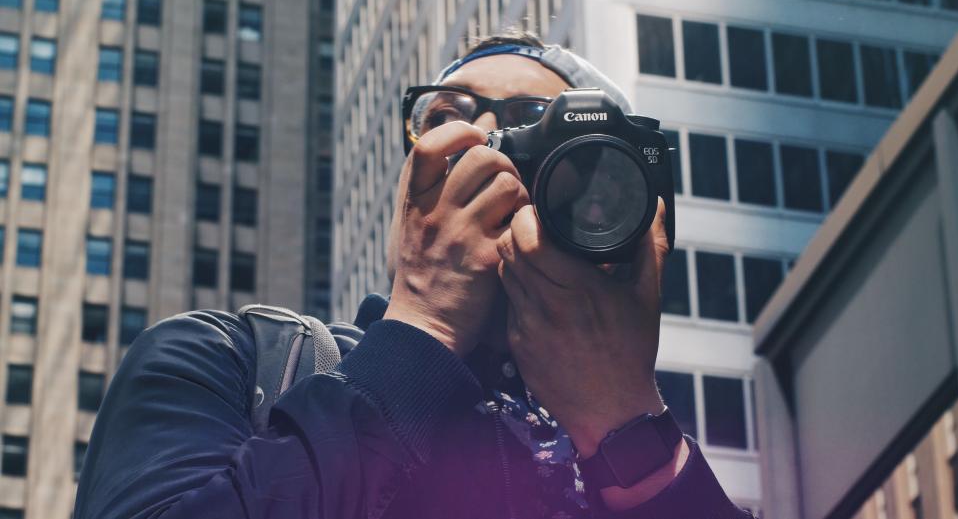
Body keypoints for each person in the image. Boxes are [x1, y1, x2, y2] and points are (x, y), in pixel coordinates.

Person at [73, 32, 753, 519]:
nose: (484, 143)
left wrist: (628, 432)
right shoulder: (230, 361)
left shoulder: (635, 447)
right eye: (445, 118)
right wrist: (421, 333)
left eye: (531, 126)